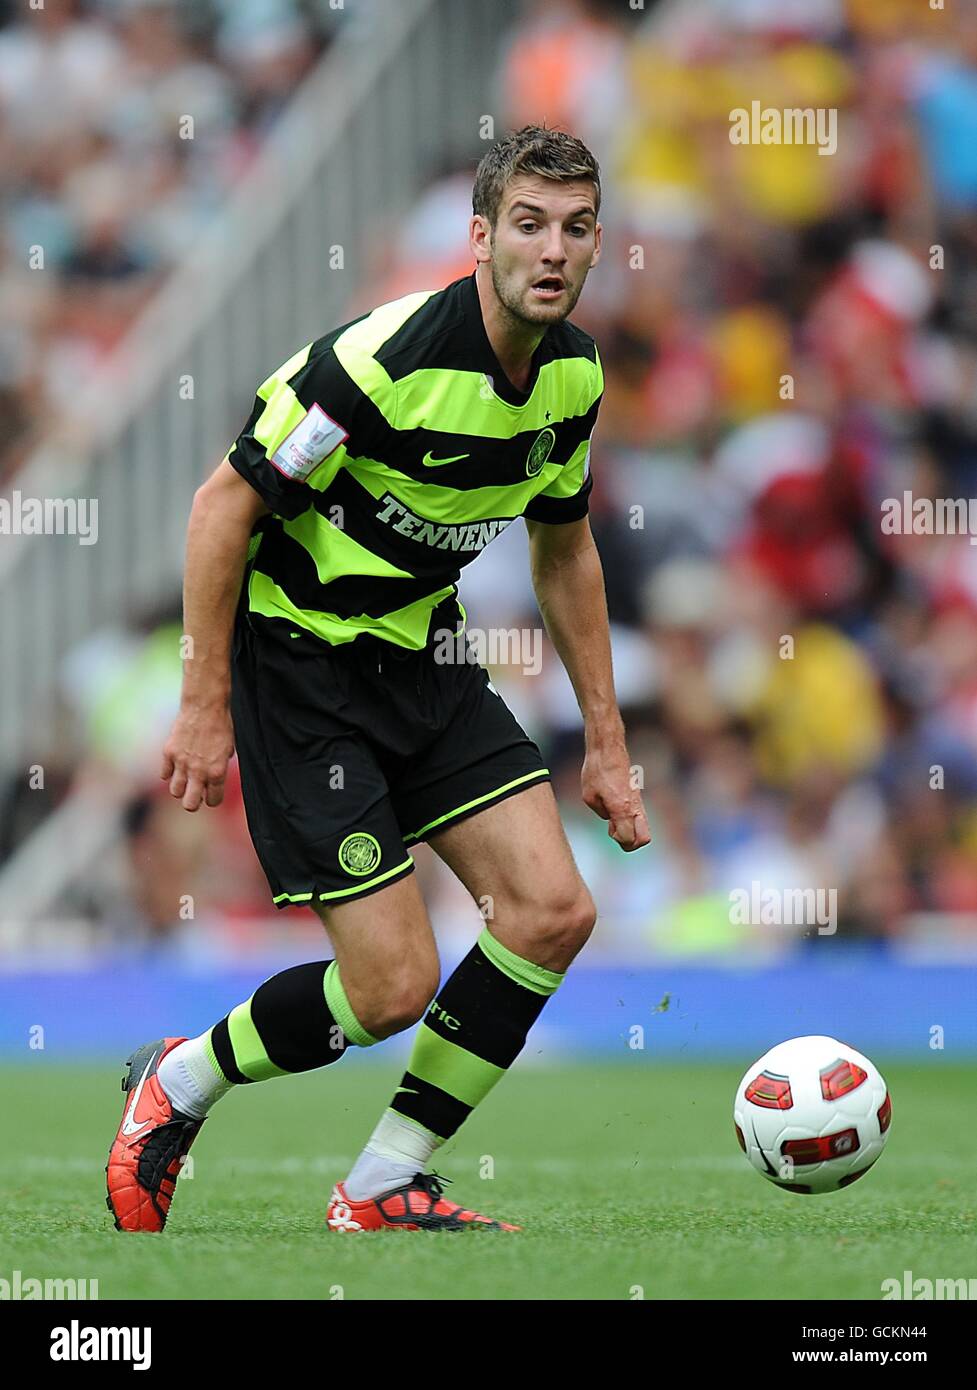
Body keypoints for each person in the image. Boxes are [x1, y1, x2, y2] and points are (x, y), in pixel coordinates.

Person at [106, 124, 650, 1236]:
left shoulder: (575, 377)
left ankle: (378, 1185)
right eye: (529, 225)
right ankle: (179, 1080)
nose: (552, 250)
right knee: (390, 988)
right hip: (302, 669)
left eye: (576, 228)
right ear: (480, 236)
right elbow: (223, 504)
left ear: (596, 245)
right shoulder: (379, 364)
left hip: (426, 656)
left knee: (550, 910)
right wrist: (202, 704)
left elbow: (563, 545)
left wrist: (604, 738)